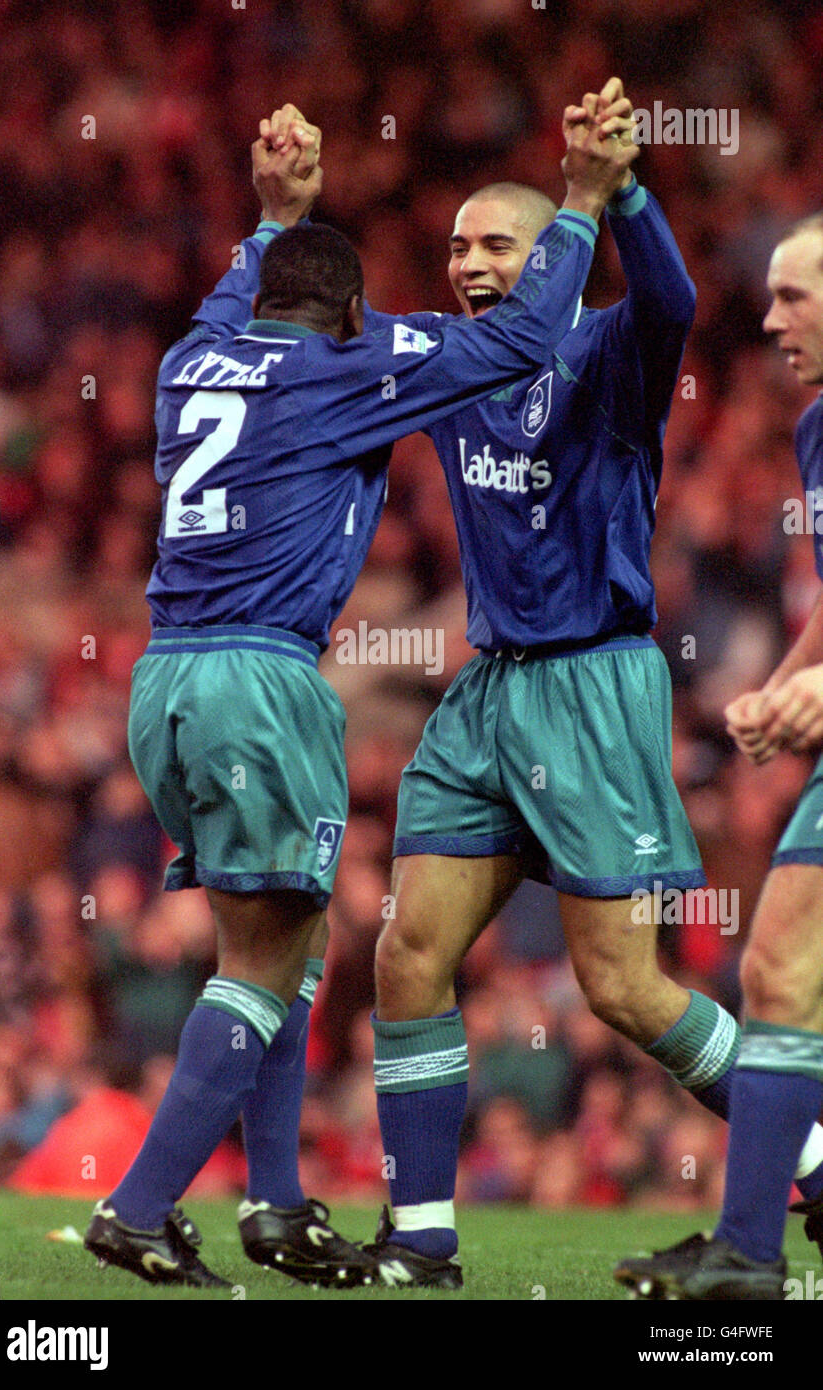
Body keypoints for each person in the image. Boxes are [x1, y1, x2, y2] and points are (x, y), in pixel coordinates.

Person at [265, 80, 823, 1289]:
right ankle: (421, 1240)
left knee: (620, 988)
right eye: (456, 244)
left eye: (494, 243)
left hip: (591, 685)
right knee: (408, 954)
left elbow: (668, 293)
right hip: (484, 691)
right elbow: (321, 335)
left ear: (548, 254)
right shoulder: (456, 361)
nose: (466, 262)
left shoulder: (612, 348)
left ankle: (818, 1165)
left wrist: (618, 190)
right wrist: (287, 216)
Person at [82, 106, 635, 1289]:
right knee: (264, 966)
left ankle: (276, 1206)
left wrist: (276, 212)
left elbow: (242, 292)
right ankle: (134, 1207)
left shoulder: (195, 354)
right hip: (259, 684)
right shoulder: (343, 367)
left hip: (162, 680)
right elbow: (518, 343)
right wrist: (581, 206)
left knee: (283, 942)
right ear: (346, 315)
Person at [614, 211, 823, 1301]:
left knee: (779, 969)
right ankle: (748, 1251)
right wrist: (790, 680)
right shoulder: (817, 427)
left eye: (793, 295)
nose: (769, 315)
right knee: (777, 969)